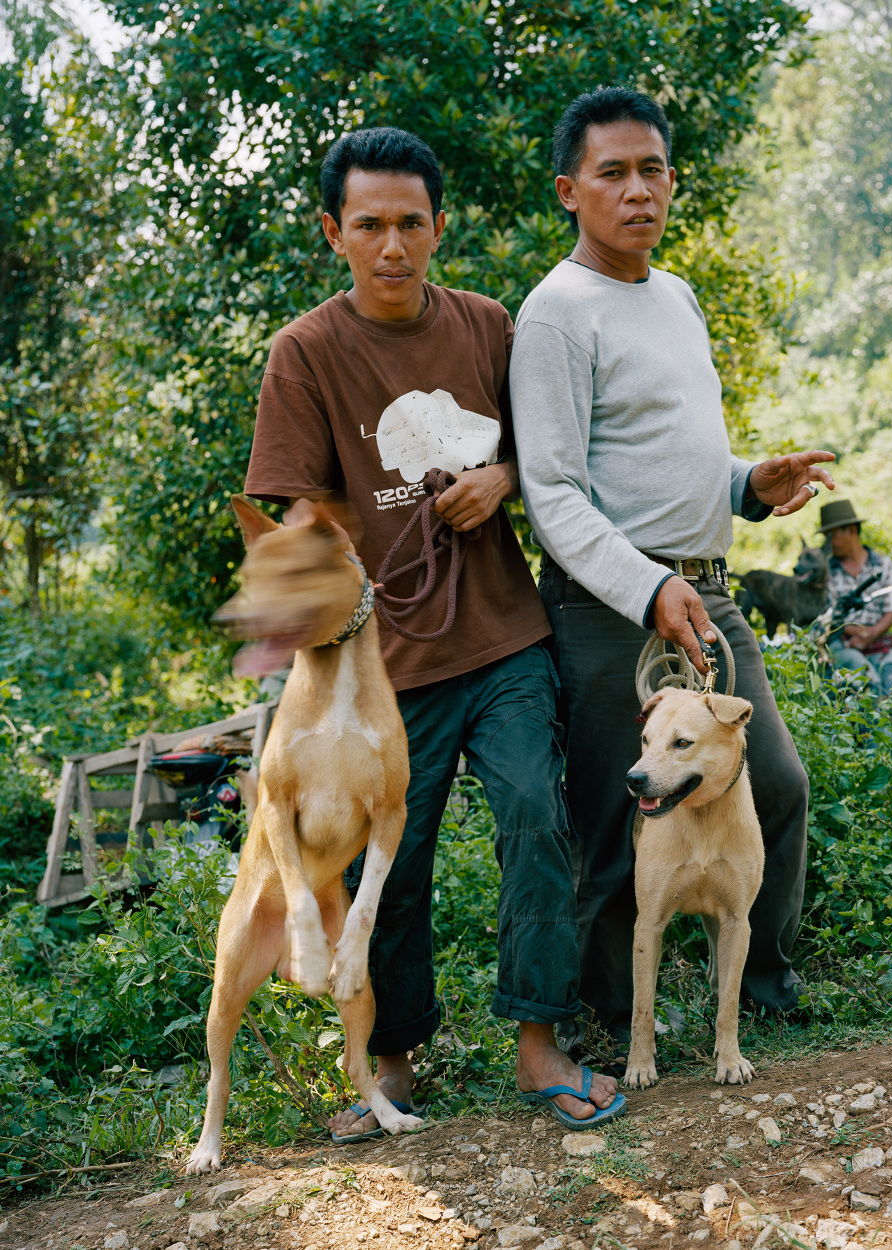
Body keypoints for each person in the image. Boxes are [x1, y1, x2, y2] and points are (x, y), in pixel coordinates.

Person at [243, 125, 621, 1133]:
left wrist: (499, 478)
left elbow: (550, 457)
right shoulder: (306, 353)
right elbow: (292, 511)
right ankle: (393, 1055)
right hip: (380, 664)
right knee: (388, 864)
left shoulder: (491, 326)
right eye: (369, 224)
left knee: (537, 816)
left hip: (502, 635)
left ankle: (540, 1040)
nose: (393, 245)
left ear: (438, 226)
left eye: (411, 223)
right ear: (335, 232)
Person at [509, 86, 836, 1056]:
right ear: (569, 190)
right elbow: (554, 493)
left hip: (709, 592)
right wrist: (645, 587)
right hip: (614, 607)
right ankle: (620, 1025)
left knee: (773, 783)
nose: (636, 189)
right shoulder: (556, 314)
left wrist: (746, 485)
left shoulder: (677, 293)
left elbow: (661, 451)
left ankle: (763, 977)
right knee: (621, 817)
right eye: (611, 172)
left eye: (651, 168)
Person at [820, 499, 892, 694]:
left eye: (831, 536)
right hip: (843, 643)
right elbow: (828, 616)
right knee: (867, 684)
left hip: (880, 642)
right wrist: (854, 632)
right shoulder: (827, 572)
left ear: (850, 530)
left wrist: (871, 633)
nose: (828, 544)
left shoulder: (883, 565)